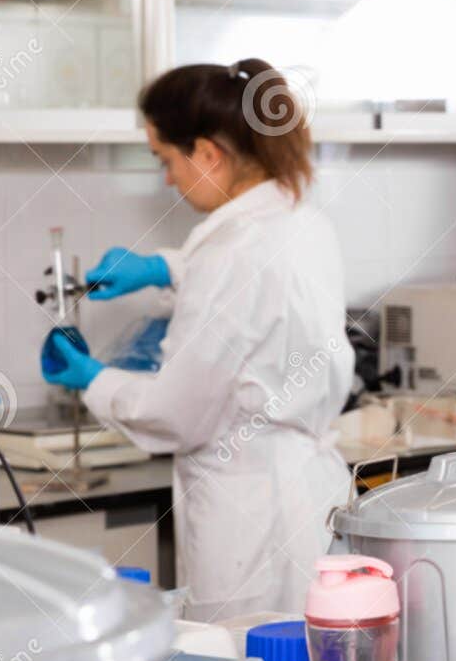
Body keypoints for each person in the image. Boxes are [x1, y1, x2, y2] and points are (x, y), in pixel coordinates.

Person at [40, 59, 352, 622]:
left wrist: (93, 380)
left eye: (165, 158)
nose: (167, 178)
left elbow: (176, 413)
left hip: (248, 517)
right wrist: (164, 267)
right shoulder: (300, 222)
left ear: (208, 153)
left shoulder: (229, 252)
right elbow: (256, 288)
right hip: (310, 496)